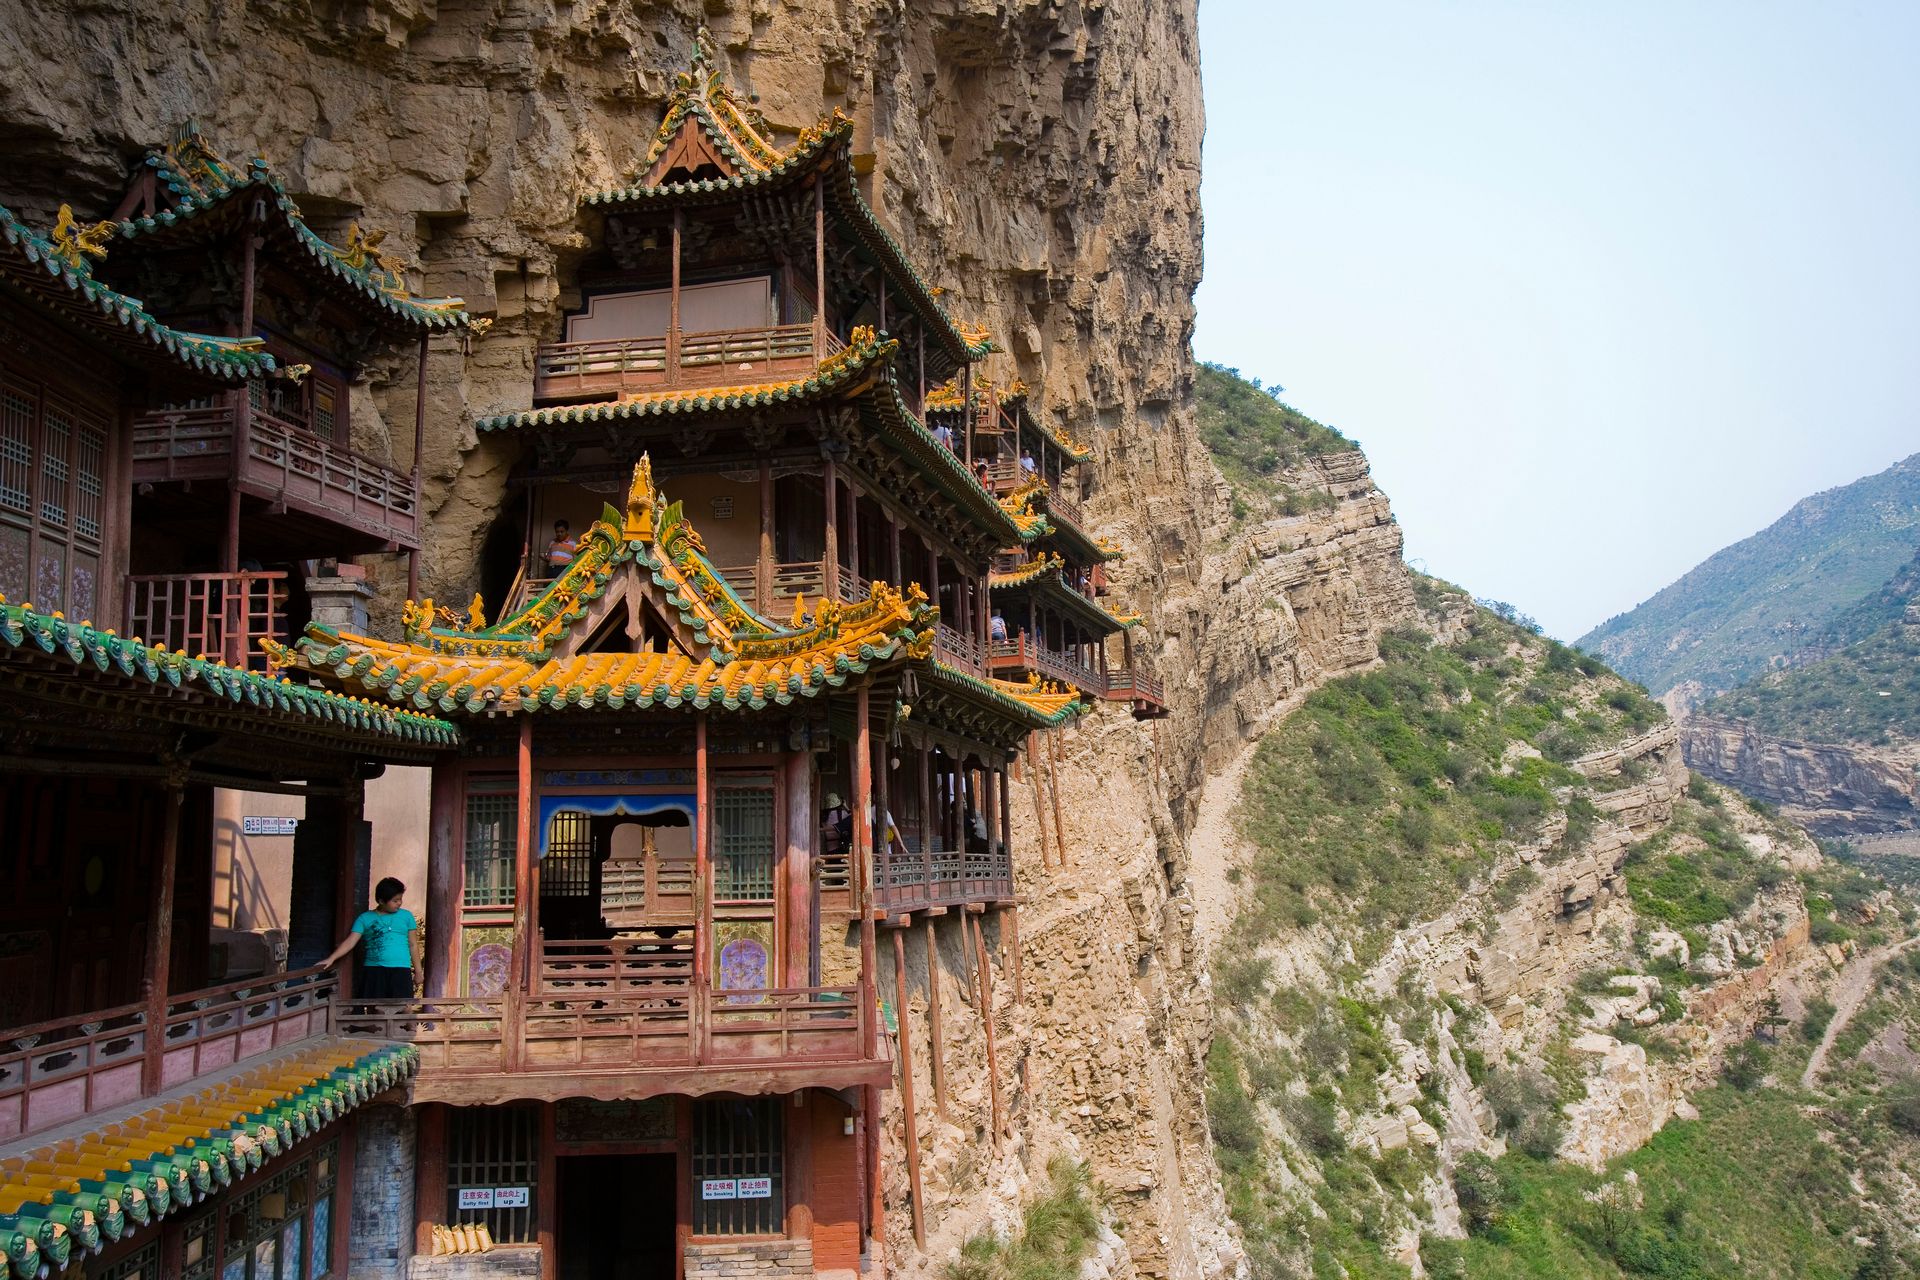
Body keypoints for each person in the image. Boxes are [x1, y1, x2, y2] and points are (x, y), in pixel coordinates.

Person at [321, 877, 420, 998]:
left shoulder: (407, 916)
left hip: (401, 968)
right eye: (395, 900)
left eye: (400, 899)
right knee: (378, 1008)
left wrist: (418, 971)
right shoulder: (365, 918)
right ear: (381, 901)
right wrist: (332, 958)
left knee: (405, 1008)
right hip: (375, 969)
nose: (399, 903)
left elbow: (413, 945)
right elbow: (351, 941)